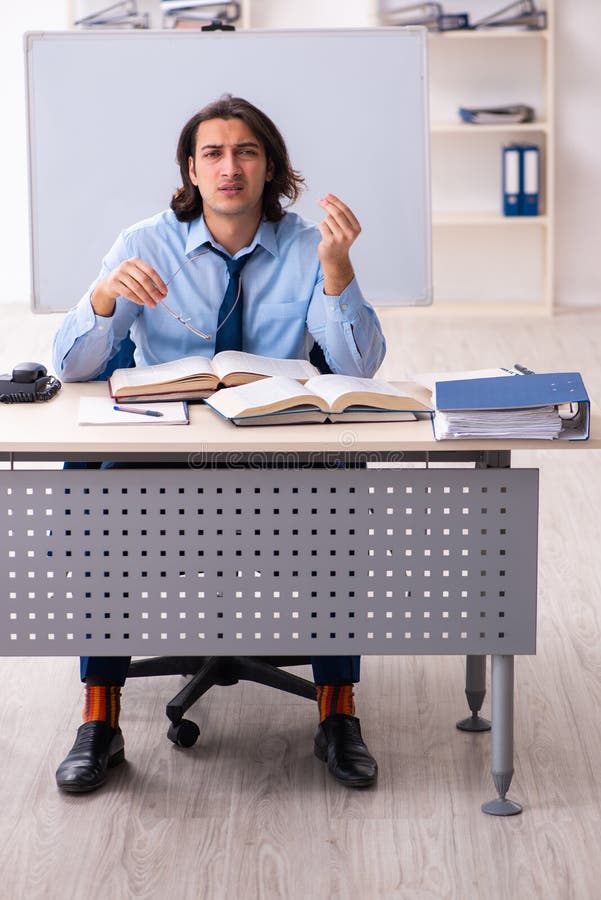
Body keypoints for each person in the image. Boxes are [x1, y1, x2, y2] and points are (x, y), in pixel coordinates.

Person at [52, 94, 386, 794]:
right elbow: (72, 368)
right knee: (88, 488)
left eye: (246, 152)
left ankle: (337, 711)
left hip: (278, 453)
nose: (229, 167)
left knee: (344, 486)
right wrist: (107, 297)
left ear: (270, 169)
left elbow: (357, 369)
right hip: (163, 453)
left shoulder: (305, 244)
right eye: (213, 153)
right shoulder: (142, 243)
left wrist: (336, 270)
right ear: (191, 170)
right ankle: (99, 717)